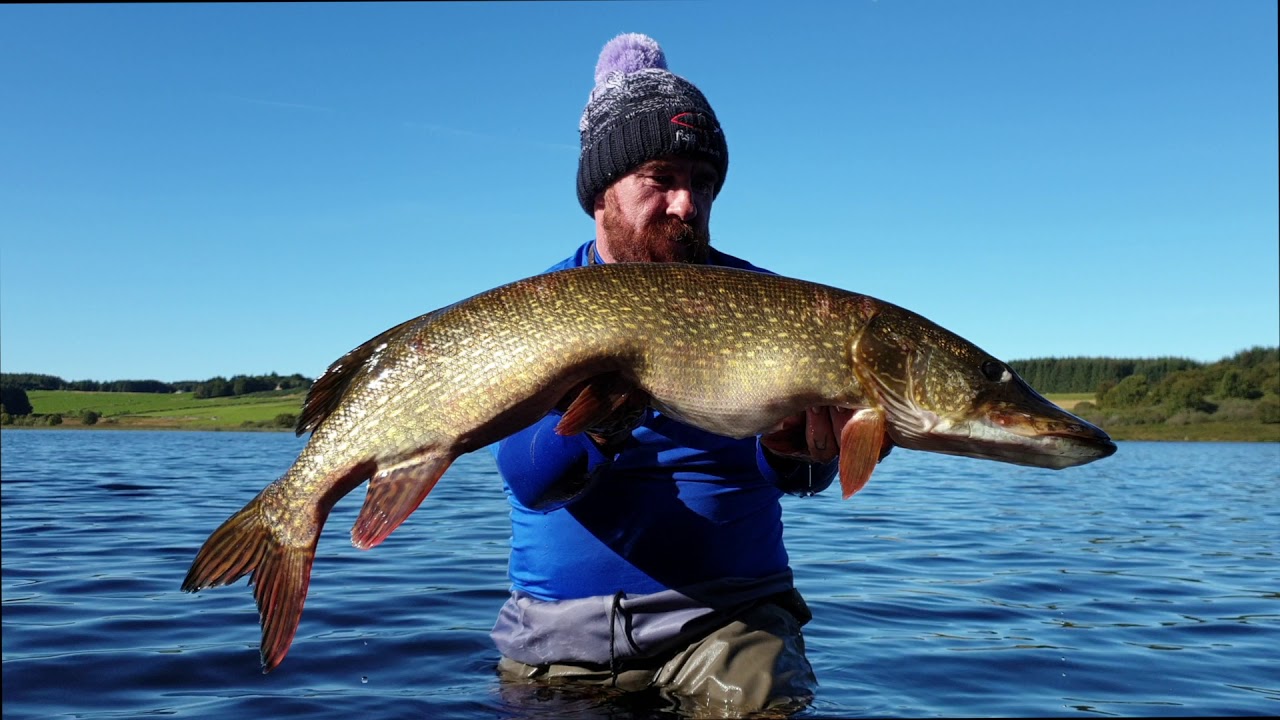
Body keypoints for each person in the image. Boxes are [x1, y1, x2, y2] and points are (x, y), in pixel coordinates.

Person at [490, 32, 875, 715]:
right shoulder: (541, 305)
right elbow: (533, 478)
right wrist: (606, 413)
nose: (687, 205)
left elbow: (808, 472)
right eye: (661, 180)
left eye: (703, 183)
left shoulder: (768, 302)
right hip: (561, 636)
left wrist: (795, 451)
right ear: (601, 192)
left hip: (731, 621)